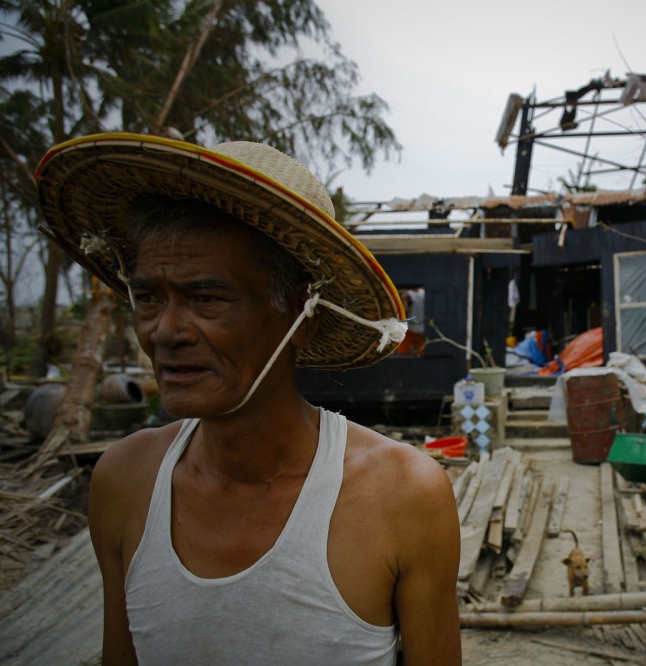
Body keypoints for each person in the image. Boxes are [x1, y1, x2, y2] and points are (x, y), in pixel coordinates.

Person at [35, 134, 462, 665]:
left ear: (303, 313)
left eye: (206, 298)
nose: (165, 331)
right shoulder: (125, 482)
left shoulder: (402, 497)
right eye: (147, 297)